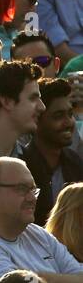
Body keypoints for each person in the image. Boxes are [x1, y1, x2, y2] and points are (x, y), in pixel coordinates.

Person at [26, 78, 83, 224]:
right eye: (58, 116)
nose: (69, 123)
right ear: (37, 119)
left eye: (70, 114)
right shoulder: (23, 166)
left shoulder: (75, 163)